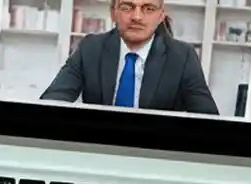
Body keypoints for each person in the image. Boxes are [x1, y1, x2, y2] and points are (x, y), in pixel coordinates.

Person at [42, 0, 219, 114]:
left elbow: (208, 121)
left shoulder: (183, 56)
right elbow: (51, 104)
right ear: (113, 12)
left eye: (148, 8)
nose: (137, 16)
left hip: (156, 156)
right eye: (127, 7)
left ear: (160, 16)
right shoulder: (91, 48)